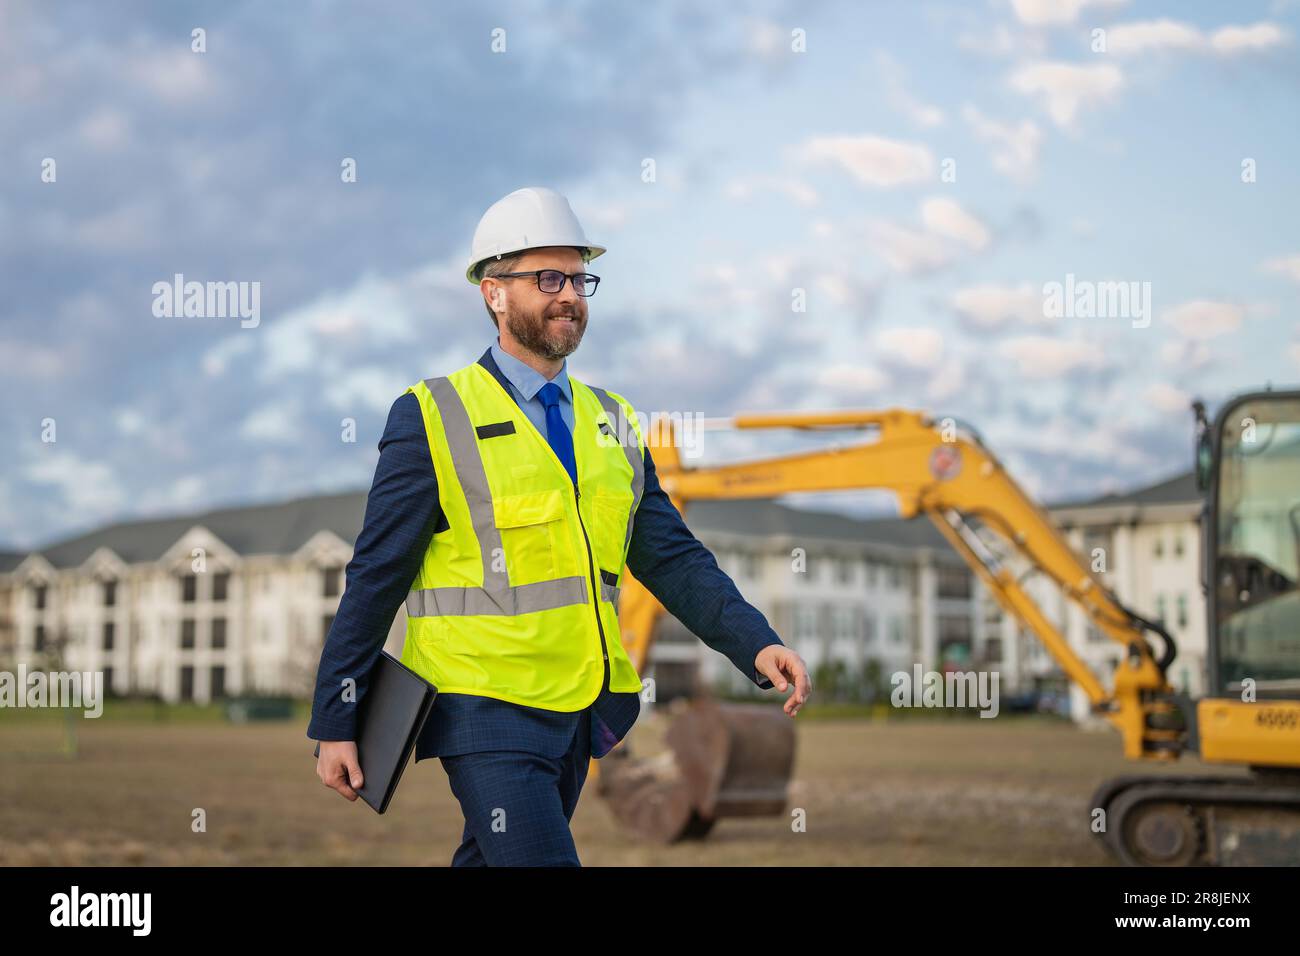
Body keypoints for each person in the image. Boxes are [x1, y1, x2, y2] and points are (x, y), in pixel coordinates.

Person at [308, 185, 811, 866]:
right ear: (494, 293)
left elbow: (670, 557)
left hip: (580, 709)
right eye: (548, 277)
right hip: (483, 708)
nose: (569, 294)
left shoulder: (614, 421)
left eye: (579, 277)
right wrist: (338, 717)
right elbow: (376, 573)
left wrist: (754, 642)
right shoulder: (432, 415)